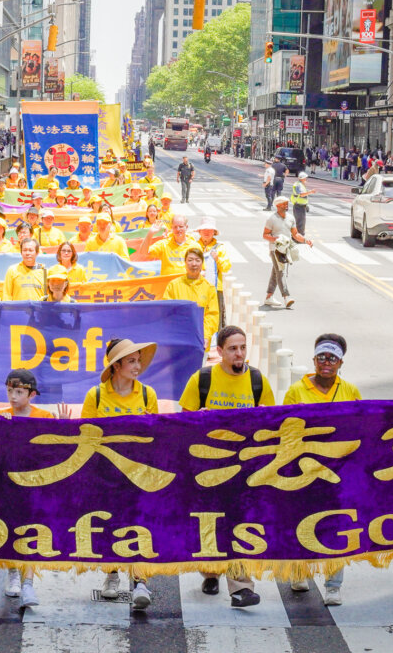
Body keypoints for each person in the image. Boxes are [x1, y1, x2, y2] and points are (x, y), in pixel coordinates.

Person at [178, 325, 275, 607]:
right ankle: (210, 571)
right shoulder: (202, 379)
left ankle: (241, 586)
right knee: (210, 522)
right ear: (220, 351)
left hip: (244, 469)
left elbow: (271, 421)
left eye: (243, 347)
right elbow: (182, 423)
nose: (239, 353)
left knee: (239, 524)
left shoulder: (257, 380)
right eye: (233, 348)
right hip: (207, 467)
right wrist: (198, 419)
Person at [281, 334, 361, 605]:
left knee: (336, 525)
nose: (327, 363)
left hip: (338, 472)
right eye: (322, 357)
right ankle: (299, 572)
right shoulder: (296, 391)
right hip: (303, 470)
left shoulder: (350, 391)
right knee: (300, 522)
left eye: (332, 358)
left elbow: (360, 427)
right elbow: (285, 430)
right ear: (314, 360)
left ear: (341, 363)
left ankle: (333, 585)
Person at [80, 338, 159, 609]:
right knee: (110, 524)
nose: (137, 366)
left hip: (139, 475)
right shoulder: (96, 396)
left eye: (138, 360)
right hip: (105, 474)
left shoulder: (148, 395)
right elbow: (86, 436)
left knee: (141, 525)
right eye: (131, 361)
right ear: (116, 366)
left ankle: (141, 581)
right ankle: (111, 575)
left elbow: (156, 435)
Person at [0, 369, 53, 607]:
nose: (13, 396)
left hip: (34, 485)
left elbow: (54, 448)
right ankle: (13, 572)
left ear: (31, 395)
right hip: (8, 485)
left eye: (19, 392)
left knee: (31, 530)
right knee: (10, 530)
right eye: (10, 391)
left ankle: (28, 582)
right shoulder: (0, 416)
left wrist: (65, 426)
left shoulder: (45, 417)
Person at [163, 245, 220, 350]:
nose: (194, 264)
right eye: (190, 260)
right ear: (185, 263)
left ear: (202, 264)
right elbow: (167, 311)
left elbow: (212, 316)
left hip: (200, 340)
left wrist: (206, 335)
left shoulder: (209, 288)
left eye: (197, 260)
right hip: (178, 340)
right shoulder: (173, 285)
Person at [262, 196, 311, 309]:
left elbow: (295, 234)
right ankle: (286, 297)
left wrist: (305, 240)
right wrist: (275, 239)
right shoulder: (271, 219)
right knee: (281, 272)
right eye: (284, 204)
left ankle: (269, 297)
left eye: (287, 204)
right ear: (278, 205)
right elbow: (265, 235)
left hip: (286, 250)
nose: (286, 206)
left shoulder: (290, 218)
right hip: (275, 249)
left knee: (276, 272)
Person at [194, 217, 231, 329]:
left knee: (215, 317)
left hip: (215, 288)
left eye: (210, 230)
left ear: (214, 232)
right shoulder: (194, 246)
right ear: (199, 231)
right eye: (204, 230)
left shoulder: (220, 248)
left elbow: (226, 267)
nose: (206, 232)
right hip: (196, 287)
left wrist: (217, 260)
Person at [290, 171, 312, 235]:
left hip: (301, 205)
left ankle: (298, 235)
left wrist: (306, 205)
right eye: (305, 178)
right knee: (300, 222)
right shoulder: (298, 185)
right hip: (299, 206)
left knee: (301, 221)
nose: (306, 179)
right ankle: (299, 236)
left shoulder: (300, 184)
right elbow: (301, 194)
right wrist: (310, 192)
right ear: (302, 178)